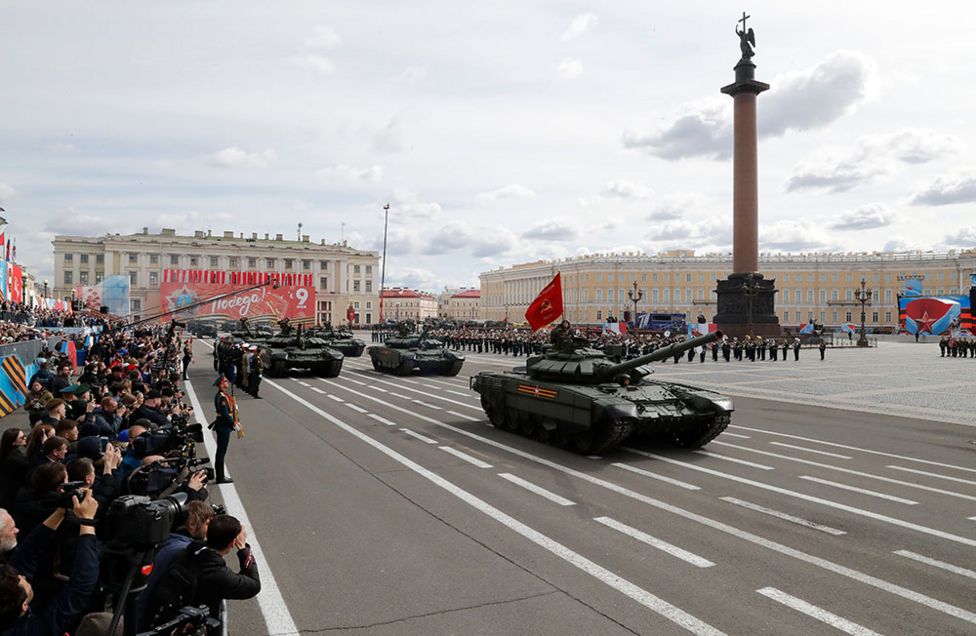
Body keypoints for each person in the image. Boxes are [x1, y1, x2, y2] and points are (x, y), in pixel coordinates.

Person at [0, 490, 100, 636]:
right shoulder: (32, 631)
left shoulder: (7, 598)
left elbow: (26, 557)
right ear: (24, 606)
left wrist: (60, 511)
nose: (23, 576)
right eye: (25, 581)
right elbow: (79, 588)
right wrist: (87, 522)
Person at [146, 514, 260, 628]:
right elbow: (254, 585)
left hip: (164, 617)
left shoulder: (190, 551)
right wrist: (243, 548)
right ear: (232, 543)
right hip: (192, 625)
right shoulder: (216, 573)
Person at [211, 376, 239, 484]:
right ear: (221, 384)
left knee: (221, 452)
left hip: (224, 426)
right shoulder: (222, 397)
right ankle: (220, 477)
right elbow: (225, 415)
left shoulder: (223, 395)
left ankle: (220, 475)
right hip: (223, 426)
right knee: (221, 452)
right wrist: (233, 424)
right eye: (225, 381)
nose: (227, 382)